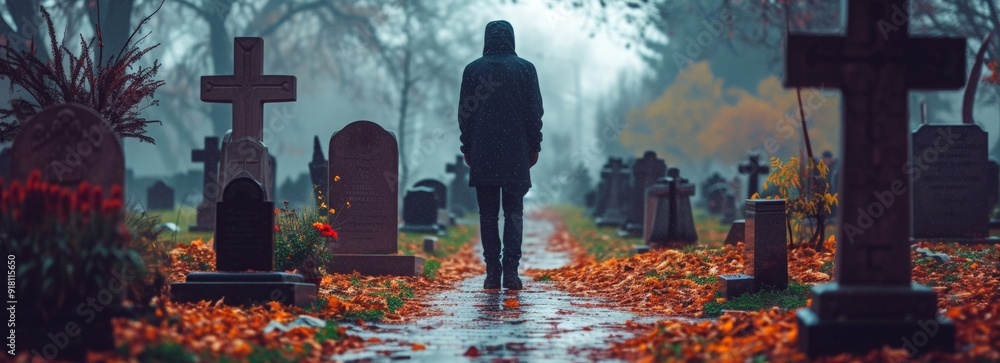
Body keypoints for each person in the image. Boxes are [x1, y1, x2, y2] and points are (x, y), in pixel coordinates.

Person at [457, 20, 543, 290]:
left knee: (488, 214)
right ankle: (511, 272)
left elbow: (464, 114)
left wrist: (468, 146)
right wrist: (534, 145)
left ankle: (492, 272)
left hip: (484, 151)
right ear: (511, 38)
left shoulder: (473, 70)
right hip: (516, 151)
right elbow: (534, 112)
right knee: (514, 212)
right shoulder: (526, 69)